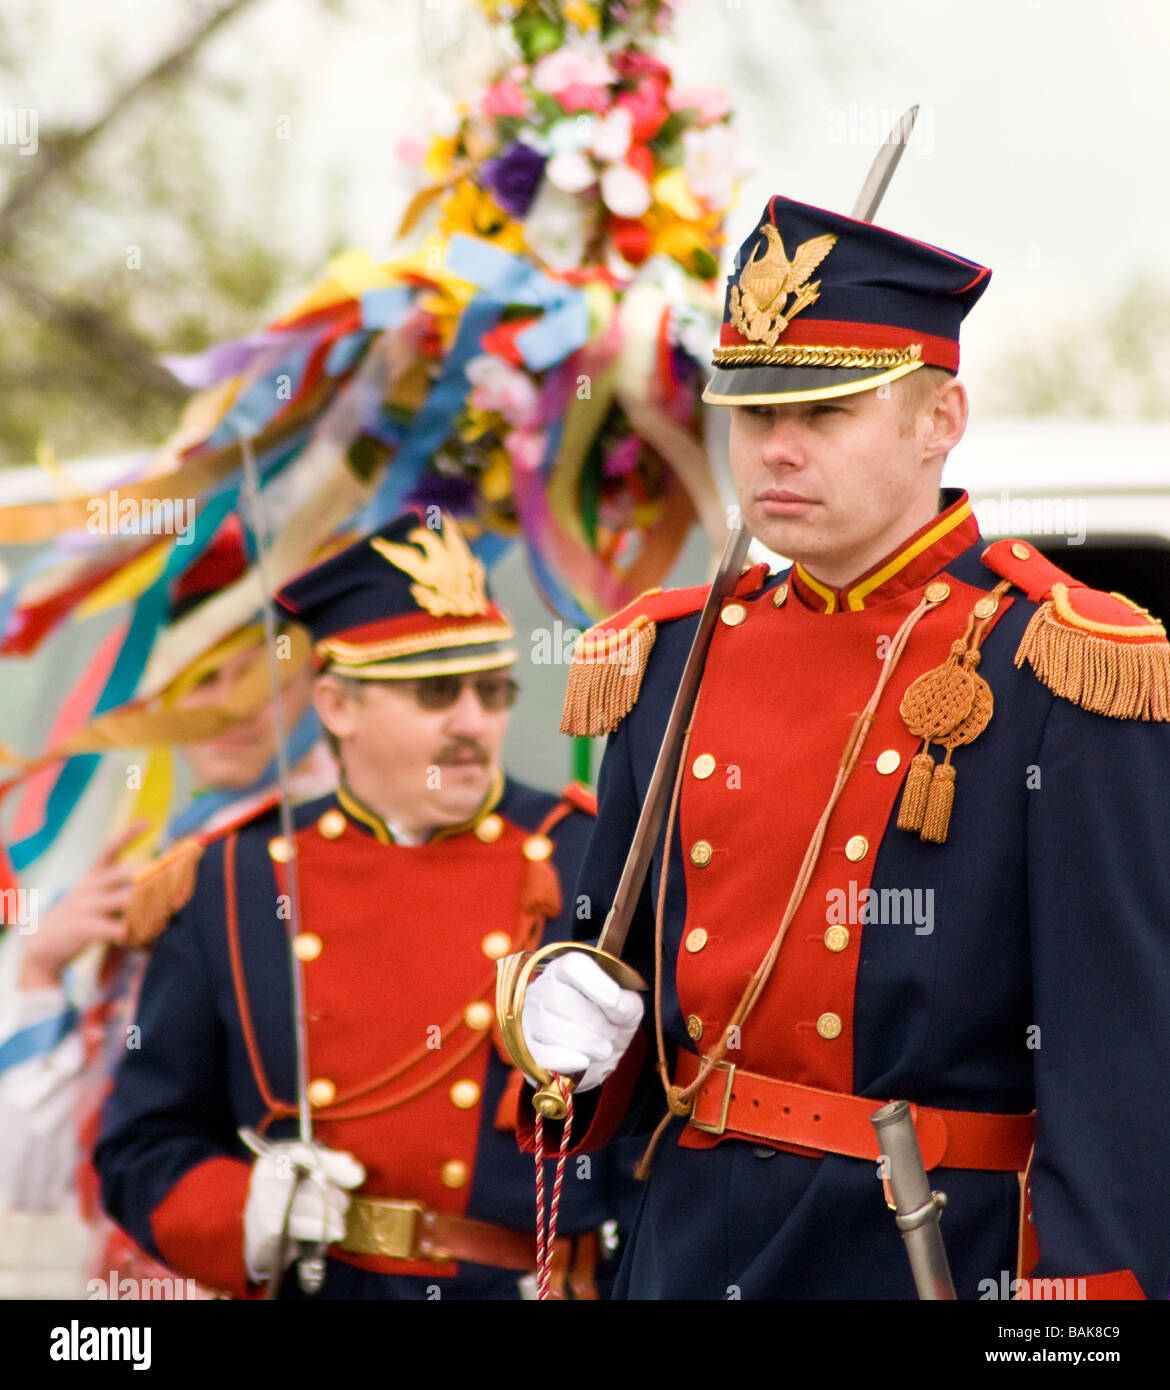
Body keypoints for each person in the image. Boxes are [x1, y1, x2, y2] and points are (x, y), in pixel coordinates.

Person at [513, 194, 1170, 1300]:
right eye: (753, 412)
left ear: (941, 417)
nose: (777, 448)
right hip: (689, 1247)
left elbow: (1118, 1057)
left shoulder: (1055, 661)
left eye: (826, 411)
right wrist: (562, 1033)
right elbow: (611, 1005)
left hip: (926, 1253)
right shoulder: (668, 656)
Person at [95, 510, 617, 1299]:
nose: (473, 723)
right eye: (436, 692)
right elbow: (143, 1142)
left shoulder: (586, 855)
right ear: (337, 706)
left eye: (492, 689)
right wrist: (244, 1210)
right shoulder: (233, 877)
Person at [0, 515, 334, 1294]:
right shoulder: (155, 851)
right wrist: (43, 967)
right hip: (135, 1273)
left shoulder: (341, 841)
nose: (224, 710)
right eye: (200, 682)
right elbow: (34, 1170)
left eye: (254, 679)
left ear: (314, 683)